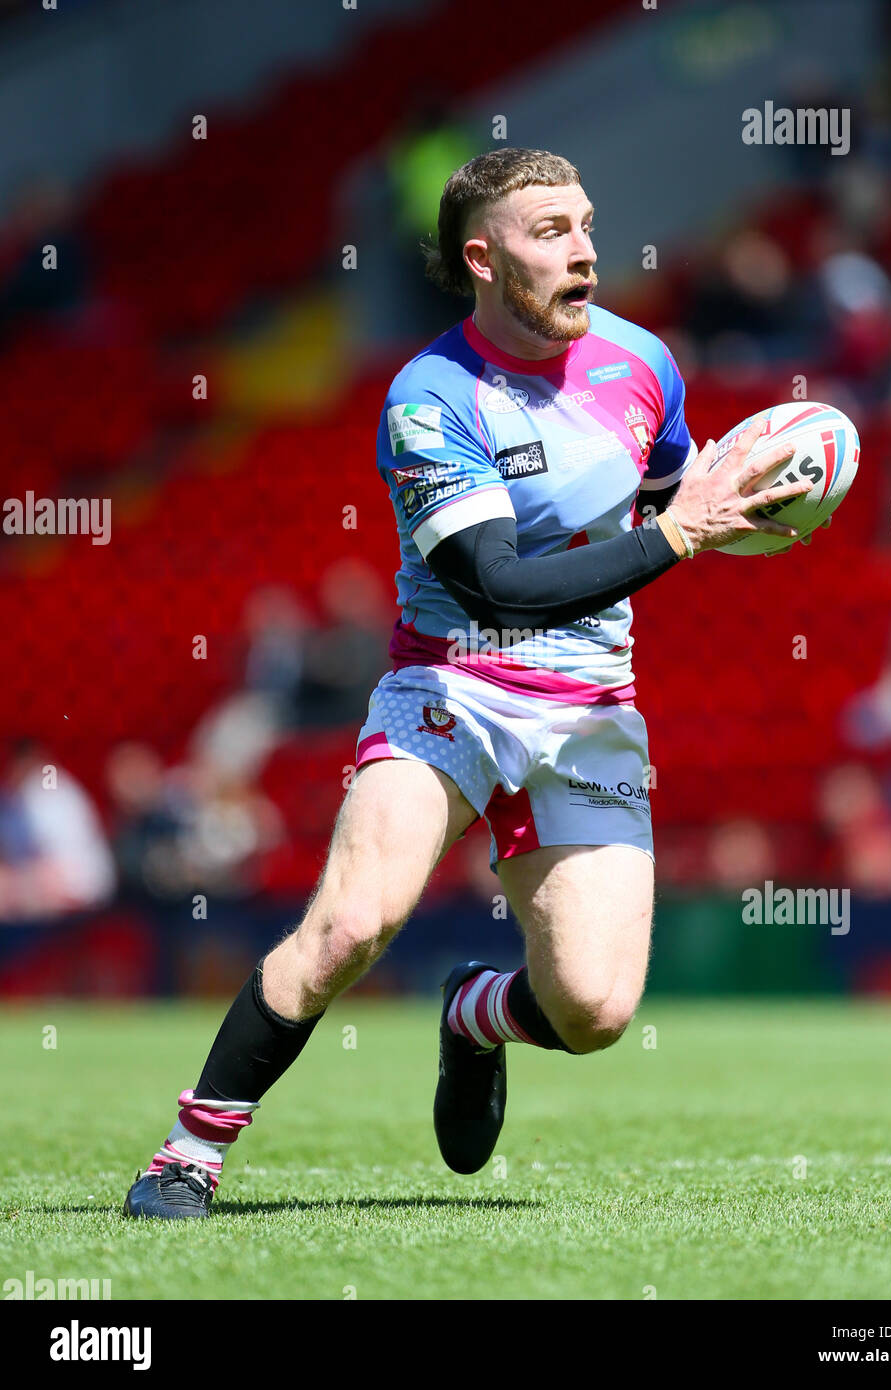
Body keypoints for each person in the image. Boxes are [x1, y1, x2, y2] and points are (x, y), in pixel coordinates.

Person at [124, 148, 812, 1219]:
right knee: (350, 926)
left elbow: (680, 502)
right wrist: (682, 534)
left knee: (592, 1010)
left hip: (588, 709)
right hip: (453, 687)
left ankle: (473, 1015)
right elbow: (498, 584)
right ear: (483, 258)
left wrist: (756, 501)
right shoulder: (430, 396)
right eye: (551, 230)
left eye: (586, 222)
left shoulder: (645, 366)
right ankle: (187, 1156)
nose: (584, 247)